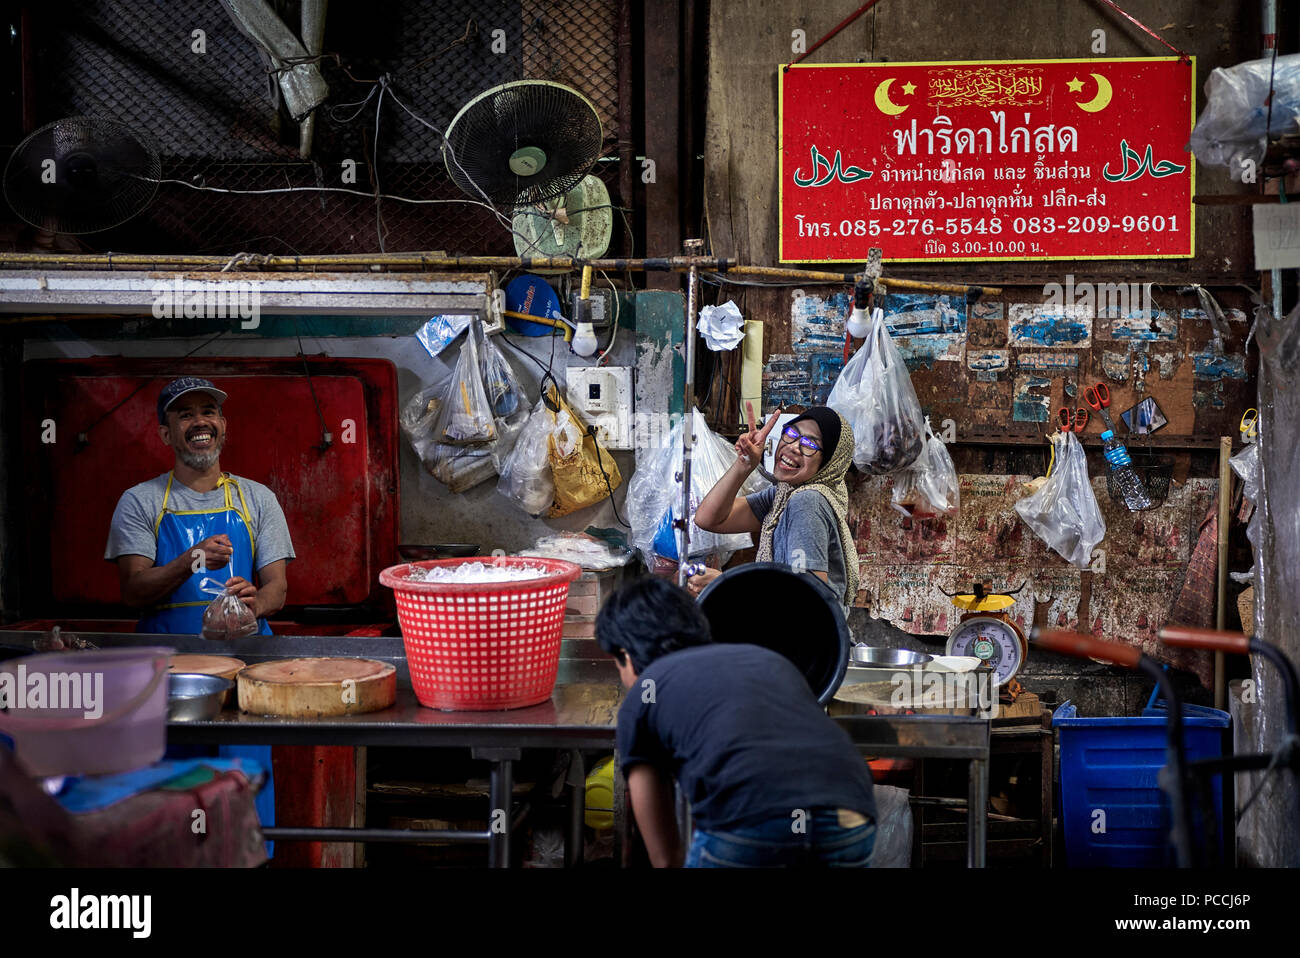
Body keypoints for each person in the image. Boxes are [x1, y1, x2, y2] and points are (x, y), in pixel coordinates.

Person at [597, 575, 876, 867]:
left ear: (626, 655)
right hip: (852, 812)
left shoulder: (644, 693)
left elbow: (665, 859)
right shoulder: (766, 659)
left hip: (754, 821)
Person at [105, 377, 294, 634]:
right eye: (185, 415)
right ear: (166, 434)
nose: (200, 422)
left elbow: (277, 587)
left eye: (208, 412)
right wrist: (192, 560)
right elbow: (133, 591)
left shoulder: (258, 498)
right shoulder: (139, 501)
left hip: (243, 654)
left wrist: (254, 607)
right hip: (167, 658)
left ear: (223, 426)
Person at [690, 403, 860, 611]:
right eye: (791, 433)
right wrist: (744, 465)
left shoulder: (807, 502)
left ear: (829, 462)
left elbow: (807, 598)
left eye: (809, 443)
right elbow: (708, 519)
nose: (793, 446)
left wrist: (727, 582)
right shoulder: (783, 495)